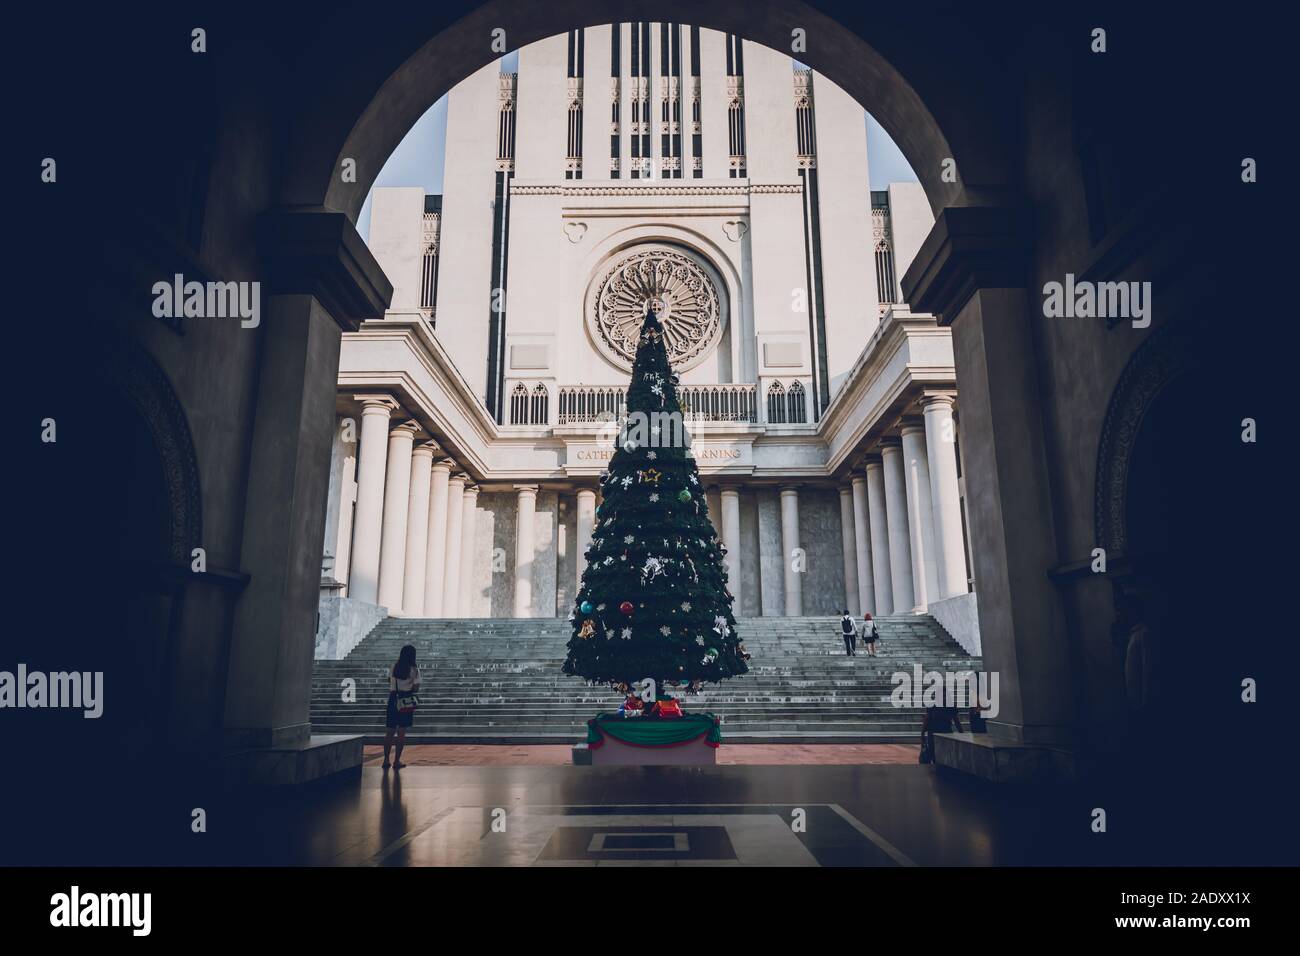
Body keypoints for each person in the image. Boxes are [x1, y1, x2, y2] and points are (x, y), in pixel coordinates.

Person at [383, 644, 420, 770]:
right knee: (401, 732)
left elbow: (389, 681)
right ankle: (396, 761)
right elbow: (416, 688)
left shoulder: (394, 666)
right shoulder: (414, 670)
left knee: (389, 731)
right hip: (406, 700)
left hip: (393, 698)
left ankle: (386, 759)